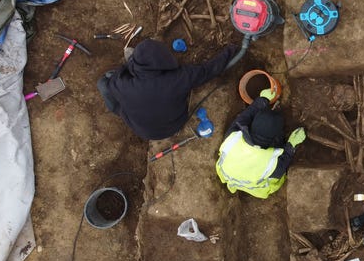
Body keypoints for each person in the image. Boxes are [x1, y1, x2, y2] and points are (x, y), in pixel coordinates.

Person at [98, 39, 238, 140]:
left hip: (142, 130)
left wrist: (128, 67)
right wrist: (231, 50)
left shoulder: (122, 84)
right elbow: (208, 70)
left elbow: (110, 81)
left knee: (103, 83)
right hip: (174, 124)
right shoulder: (180, 78)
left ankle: (118, 109)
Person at [215, 89, 306, 199]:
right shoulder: (271, 163)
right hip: (256, 187)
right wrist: (291, 145)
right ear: (275, 137)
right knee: (277, 179)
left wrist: (262, 100)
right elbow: (283, 163)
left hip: (228, 176)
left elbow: (243, 117)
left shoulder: (233, 137)